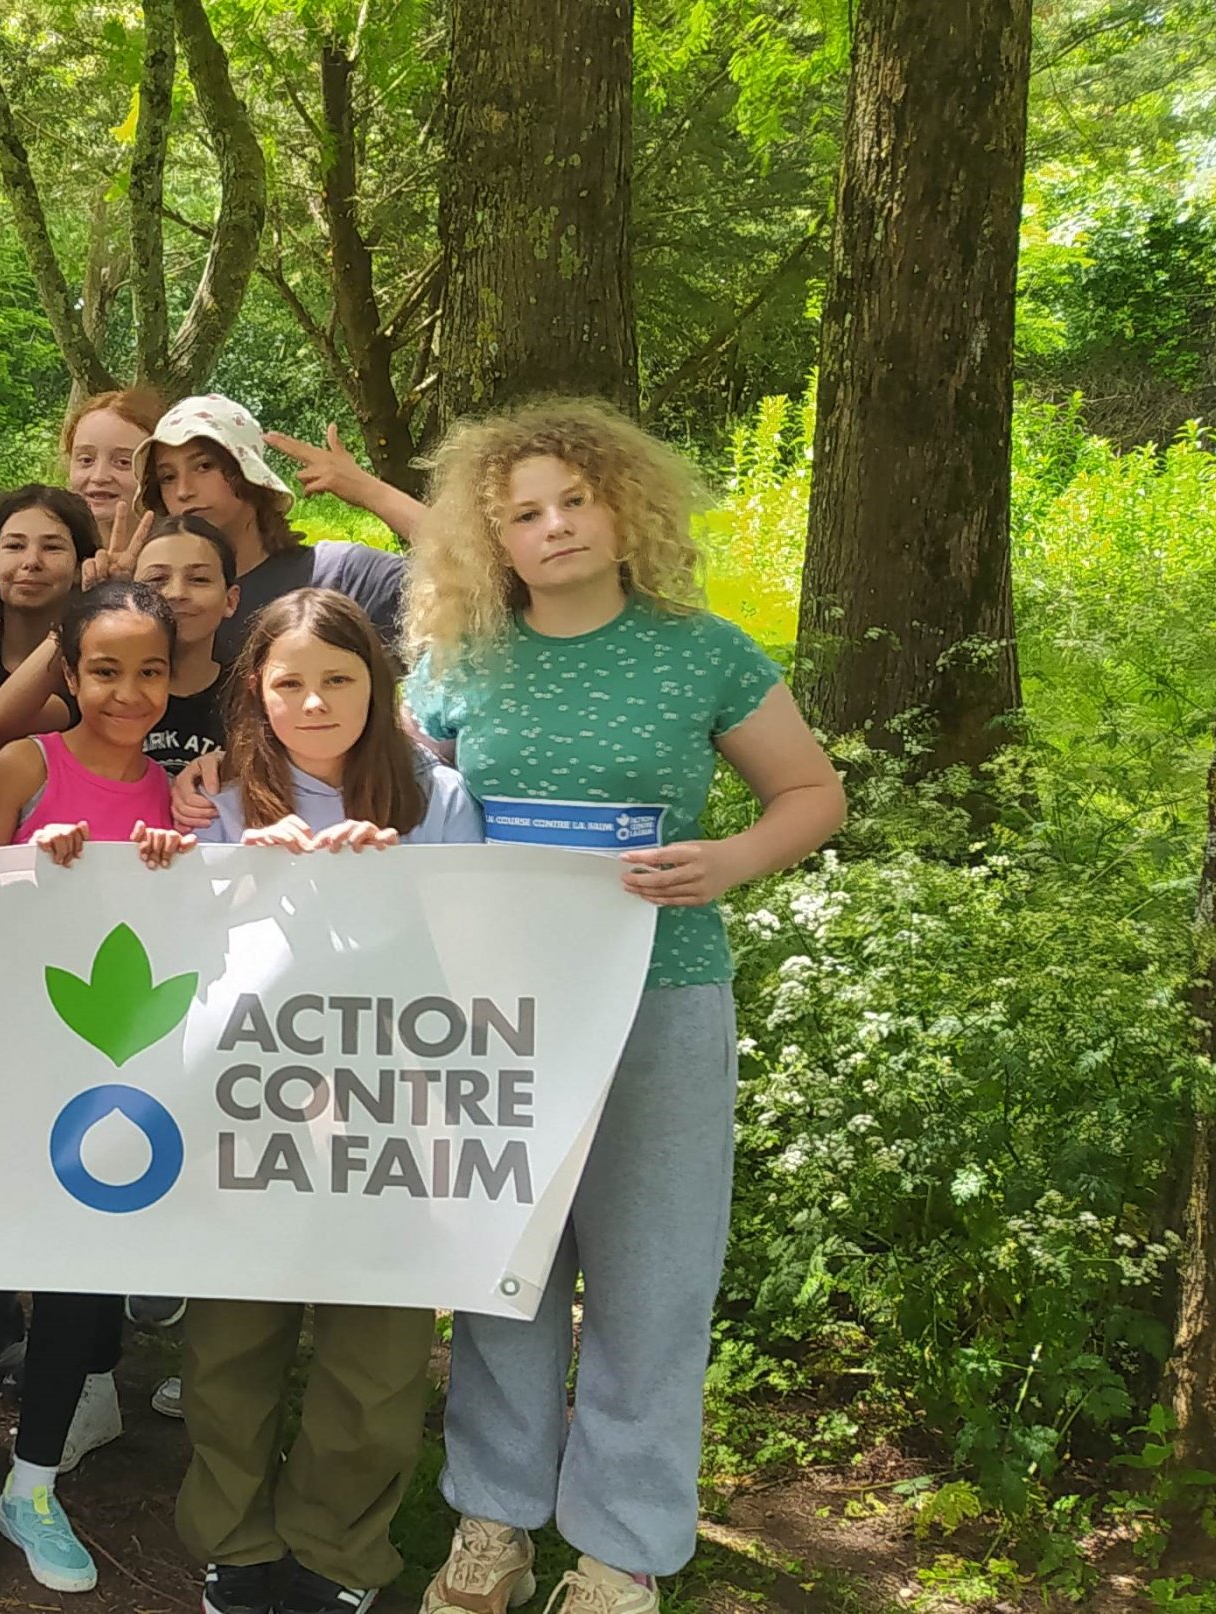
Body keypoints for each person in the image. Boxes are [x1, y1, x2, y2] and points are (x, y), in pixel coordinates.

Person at [406, 402, 841, 1614]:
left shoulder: (701, 652)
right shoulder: (456, 660)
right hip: (494, 1012)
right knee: (504, 1267)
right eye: (521, 513)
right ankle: (492, 1522)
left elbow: (810, 792)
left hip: (660, 994)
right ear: (488, 538)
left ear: (621, 505)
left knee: (650, 1279)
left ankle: (622, 1550)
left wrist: (729, 860)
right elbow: (384, 800)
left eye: (571, 501)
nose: (551, 528)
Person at [185, 589, 478, 1614]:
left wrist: (385, 882)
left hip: (385, 1106)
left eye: (337, 680)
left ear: (376, 684)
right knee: (232, 1339)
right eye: (288, 684)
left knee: (376, 1352)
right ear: (255, 694)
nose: (313, 703)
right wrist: (230, 876)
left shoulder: (435, 798)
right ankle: (233, 1540)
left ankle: (337, 1552)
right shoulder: (219, 801)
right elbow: (178, 939)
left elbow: (466, 948)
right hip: (251, 1103)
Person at [139, 394, 401, 661]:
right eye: (168, 477)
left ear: (249, 472)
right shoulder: (154, 599)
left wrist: (371, 492)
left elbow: (445, 574)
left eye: (205, 466)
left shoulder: (339, 576)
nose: (183, 491)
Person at [0, 579, 192, 869]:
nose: (128, 695)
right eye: (106, 672)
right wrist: (33, 859)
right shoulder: (24, 766)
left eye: (149, 672)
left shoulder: (172, 792)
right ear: (71, 677)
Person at [128, 516, 240, 775]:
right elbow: (13, 721)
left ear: (231, 600)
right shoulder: (102, 687)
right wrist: (91, 610)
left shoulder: (256, 697)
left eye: (199, 579)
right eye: (157, 580)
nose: (177, 592)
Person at [0, 485, 97, 679]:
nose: (32, 562)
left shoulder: (98, 663)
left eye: (52, 547)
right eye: (15, 546)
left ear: (80, 566)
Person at [54, 387, 165, 556]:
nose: (99, 477)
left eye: (122, 462)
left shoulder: (182, 558)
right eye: (86, 460)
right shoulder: (47, 554)